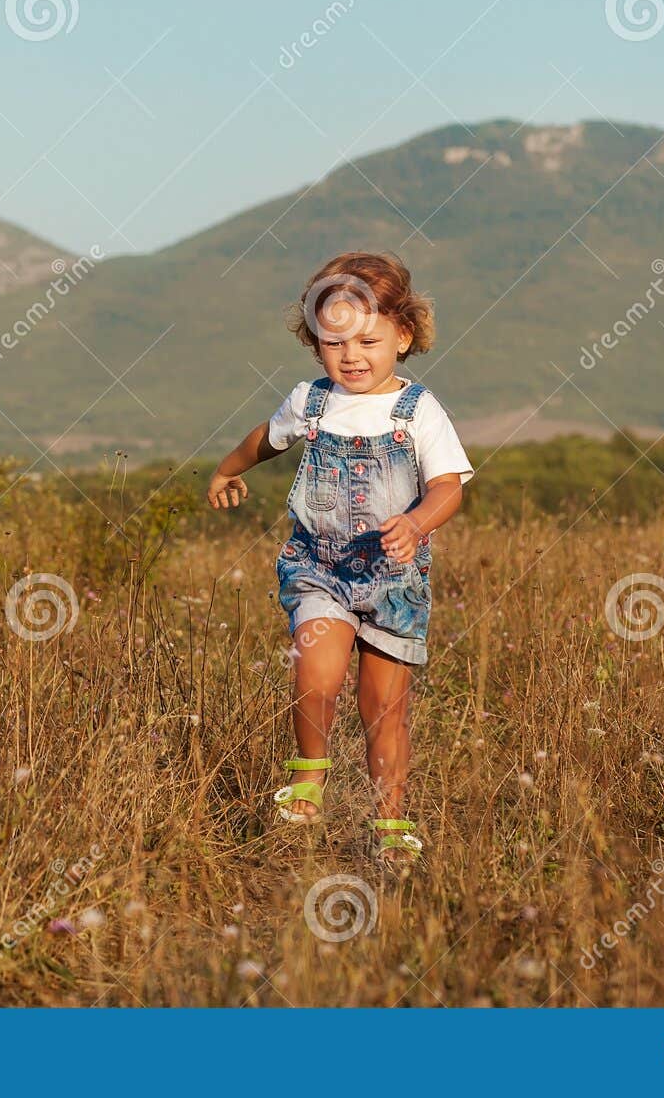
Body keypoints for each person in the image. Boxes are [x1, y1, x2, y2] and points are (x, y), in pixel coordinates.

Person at [206, 252, 473, 868]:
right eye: (334, 342)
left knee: (384, 709)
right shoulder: (312, 402)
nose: (351, 356)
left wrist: (415, 521)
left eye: (369, 340)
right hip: (318, 569)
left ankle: (391, 822)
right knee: (316, 675)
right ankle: (307, 785)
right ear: (315, 342)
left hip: (393, 583)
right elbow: (264, 440)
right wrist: (227, 469)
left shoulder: (420, 410)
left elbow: (448, 487)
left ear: (403, 335)